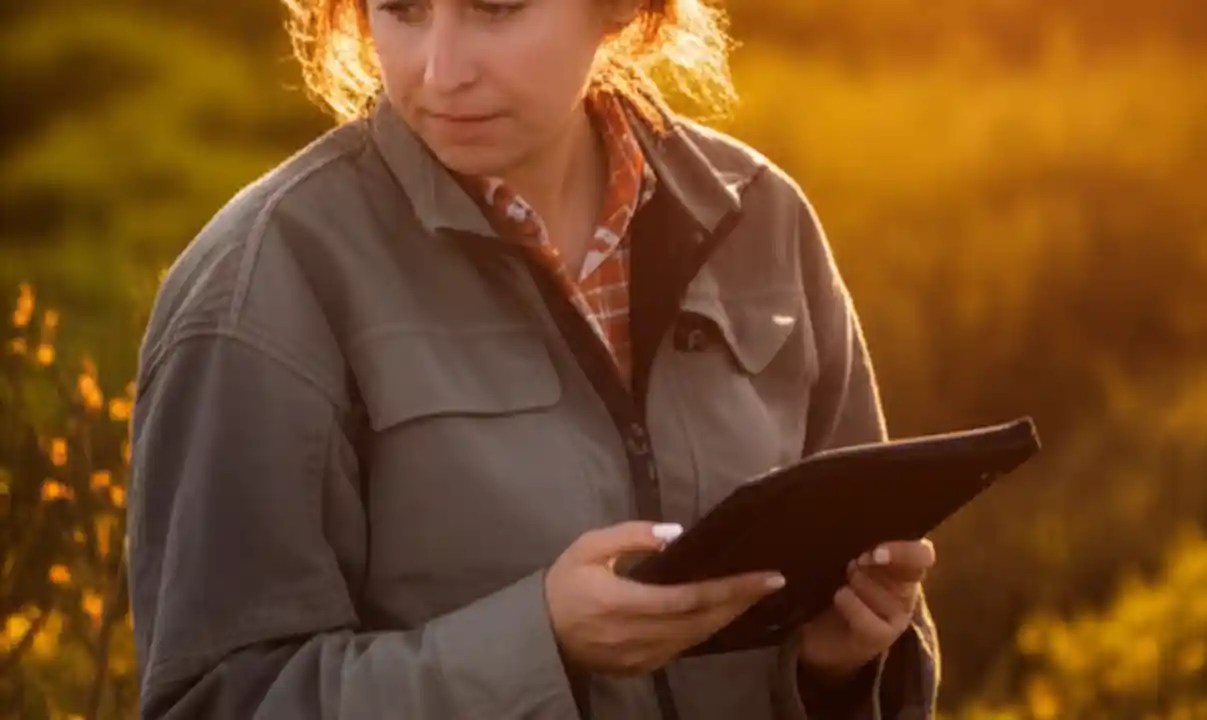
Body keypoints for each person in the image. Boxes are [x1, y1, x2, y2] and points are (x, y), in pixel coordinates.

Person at [126, 0, 941, 717]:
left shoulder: (762, 217)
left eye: (495, 6)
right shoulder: (261, 286)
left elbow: (872, 625)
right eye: (401, 8)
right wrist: (538, 645)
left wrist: (838, 667)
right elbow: (220, 702)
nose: (440, 70)